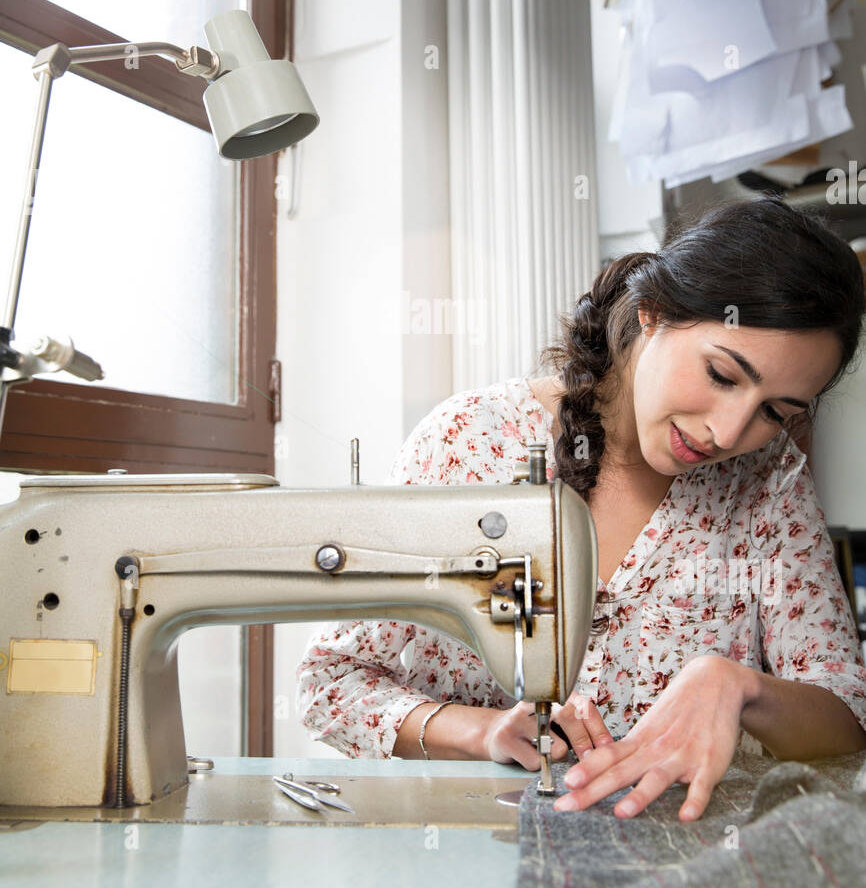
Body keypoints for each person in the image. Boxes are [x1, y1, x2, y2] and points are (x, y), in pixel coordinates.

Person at [297, 195, 866, 820]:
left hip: (684, 877)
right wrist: (482, 731)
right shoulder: (467, 442)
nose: (728, 434)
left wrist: (740, 687)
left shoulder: (770, 478)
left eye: (773, 412)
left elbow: (846, 726)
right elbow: (334, 685)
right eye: (723, 375)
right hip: (475, 860)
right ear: (654, 314)